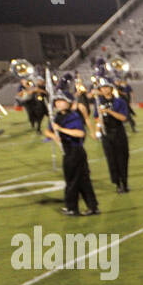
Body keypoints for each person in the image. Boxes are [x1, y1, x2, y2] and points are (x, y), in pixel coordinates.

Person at [44, 84, 99, 216]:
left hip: (76, 152)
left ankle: (72, 208)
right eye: (56, 101)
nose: (58, 103)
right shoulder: (56, 117)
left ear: (68, 102)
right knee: (80, 180)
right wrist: (54, 136)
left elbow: (80, 133)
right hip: (68, 151)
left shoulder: (73, 116)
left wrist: (61, 130)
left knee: (73, 181)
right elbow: (47, 131)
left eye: (61, 101)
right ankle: (92, 206)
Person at [94, 77, 131, 193]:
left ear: (111, 88)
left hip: (118, 132)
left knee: (122, 158)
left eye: (106, 87)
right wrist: (98, 129)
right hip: (106, 134)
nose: (104, 90)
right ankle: (117, 184)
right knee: (111, 160)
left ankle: (124, 182)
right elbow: (96, 118)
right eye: (102, 88)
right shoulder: (99, 102)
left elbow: (124, 118)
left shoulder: (120, 101)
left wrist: (109, 111)